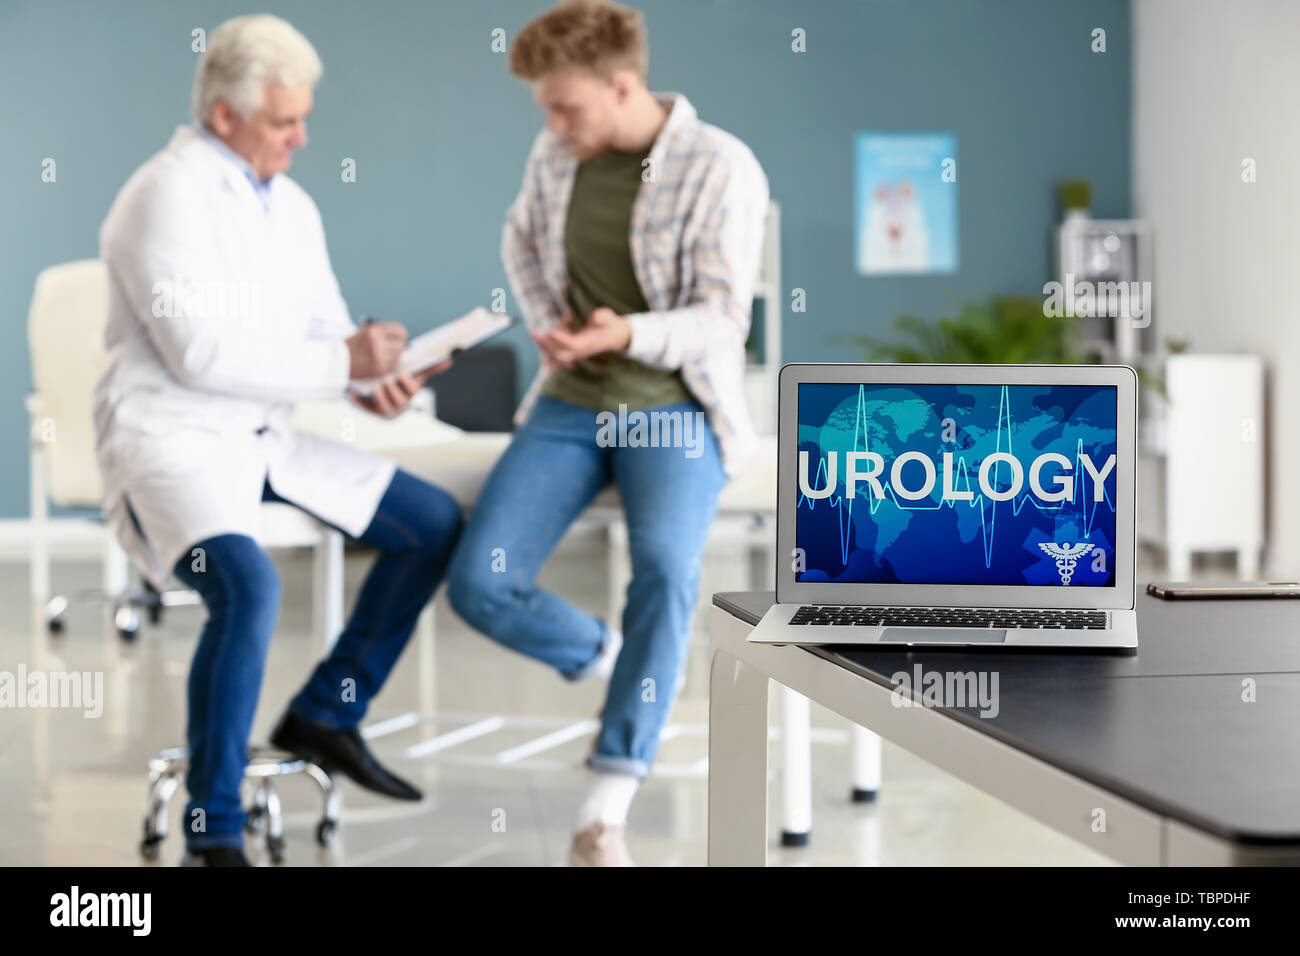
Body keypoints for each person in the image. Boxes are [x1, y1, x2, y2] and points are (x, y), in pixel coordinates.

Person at [93, 14, 462, 866]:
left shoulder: (289, 202)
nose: (301, 137)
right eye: (282, 121)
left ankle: (328, 712)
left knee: (432, 524)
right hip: (169, 442)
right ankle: (213, 827)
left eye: (302, 118)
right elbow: (199, 353)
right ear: (224, 115)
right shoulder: (162, 195)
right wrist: (341, 361)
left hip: (262, 440)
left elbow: (326, 330)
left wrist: (378, 380)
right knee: (249, 589)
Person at [446, 0, 769, 866]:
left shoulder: (718, 166)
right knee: (480, 582)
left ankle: (606, 804)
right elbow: (519, 238)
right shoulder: (559, 151)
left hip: (670, 403)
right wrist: (552, 321)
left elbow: (721, 319)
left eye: (566, 106)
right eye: (546, 108)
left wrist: (626, 332)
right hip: (570, 401)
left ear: (622, 84)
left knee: (666, 570)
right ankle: (608, 656)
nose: (552, 125)